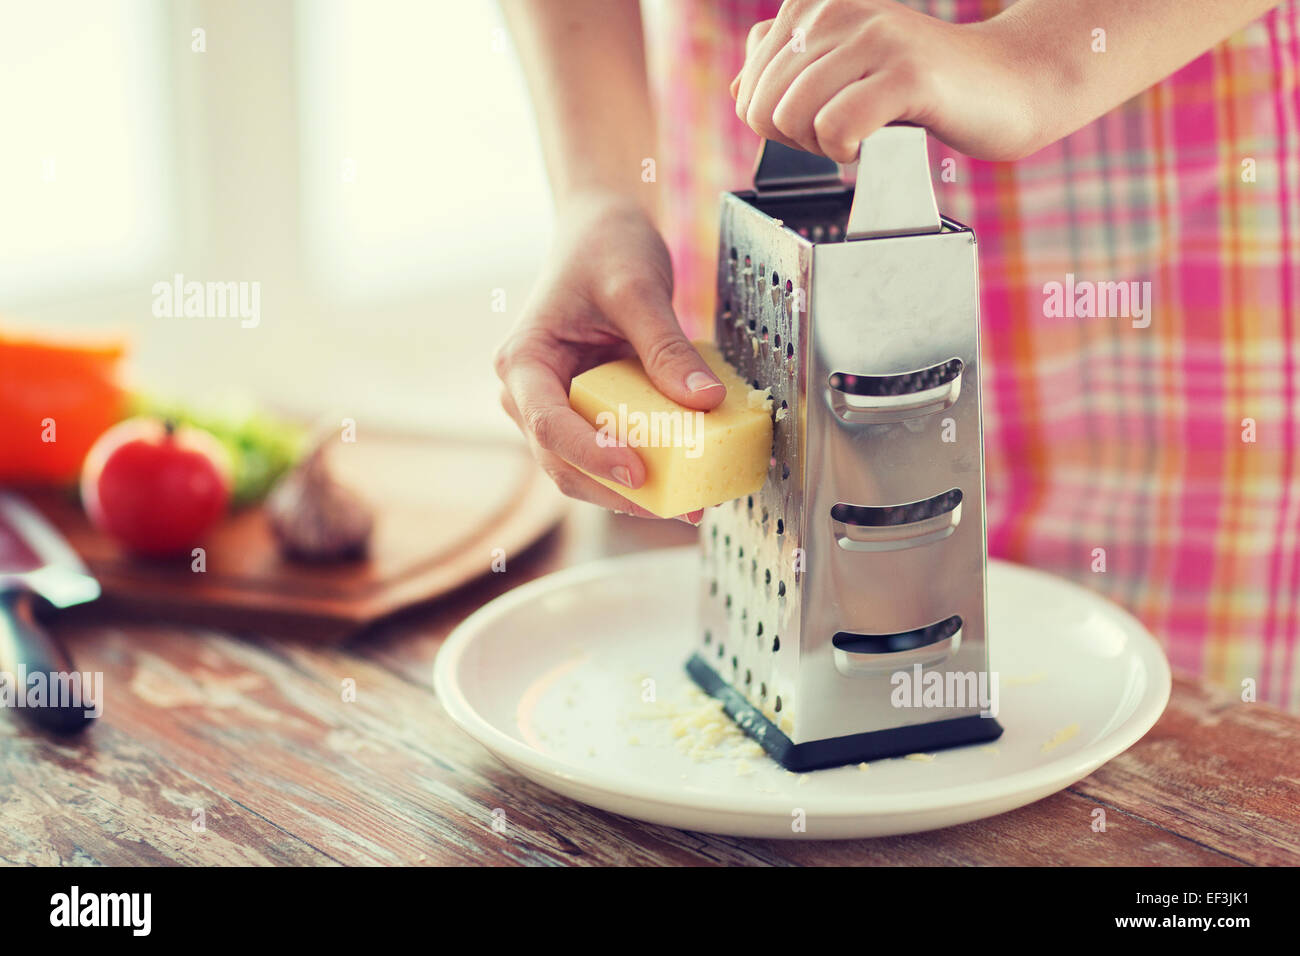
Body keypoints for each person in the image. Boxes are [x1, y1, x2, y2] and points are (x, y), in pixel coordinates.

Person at [495, 0, 1300, 710]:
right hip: (771, 157)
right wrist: (599, 195)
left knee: (1184, 764)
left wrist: (1037, 58)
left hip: (1156, 218)